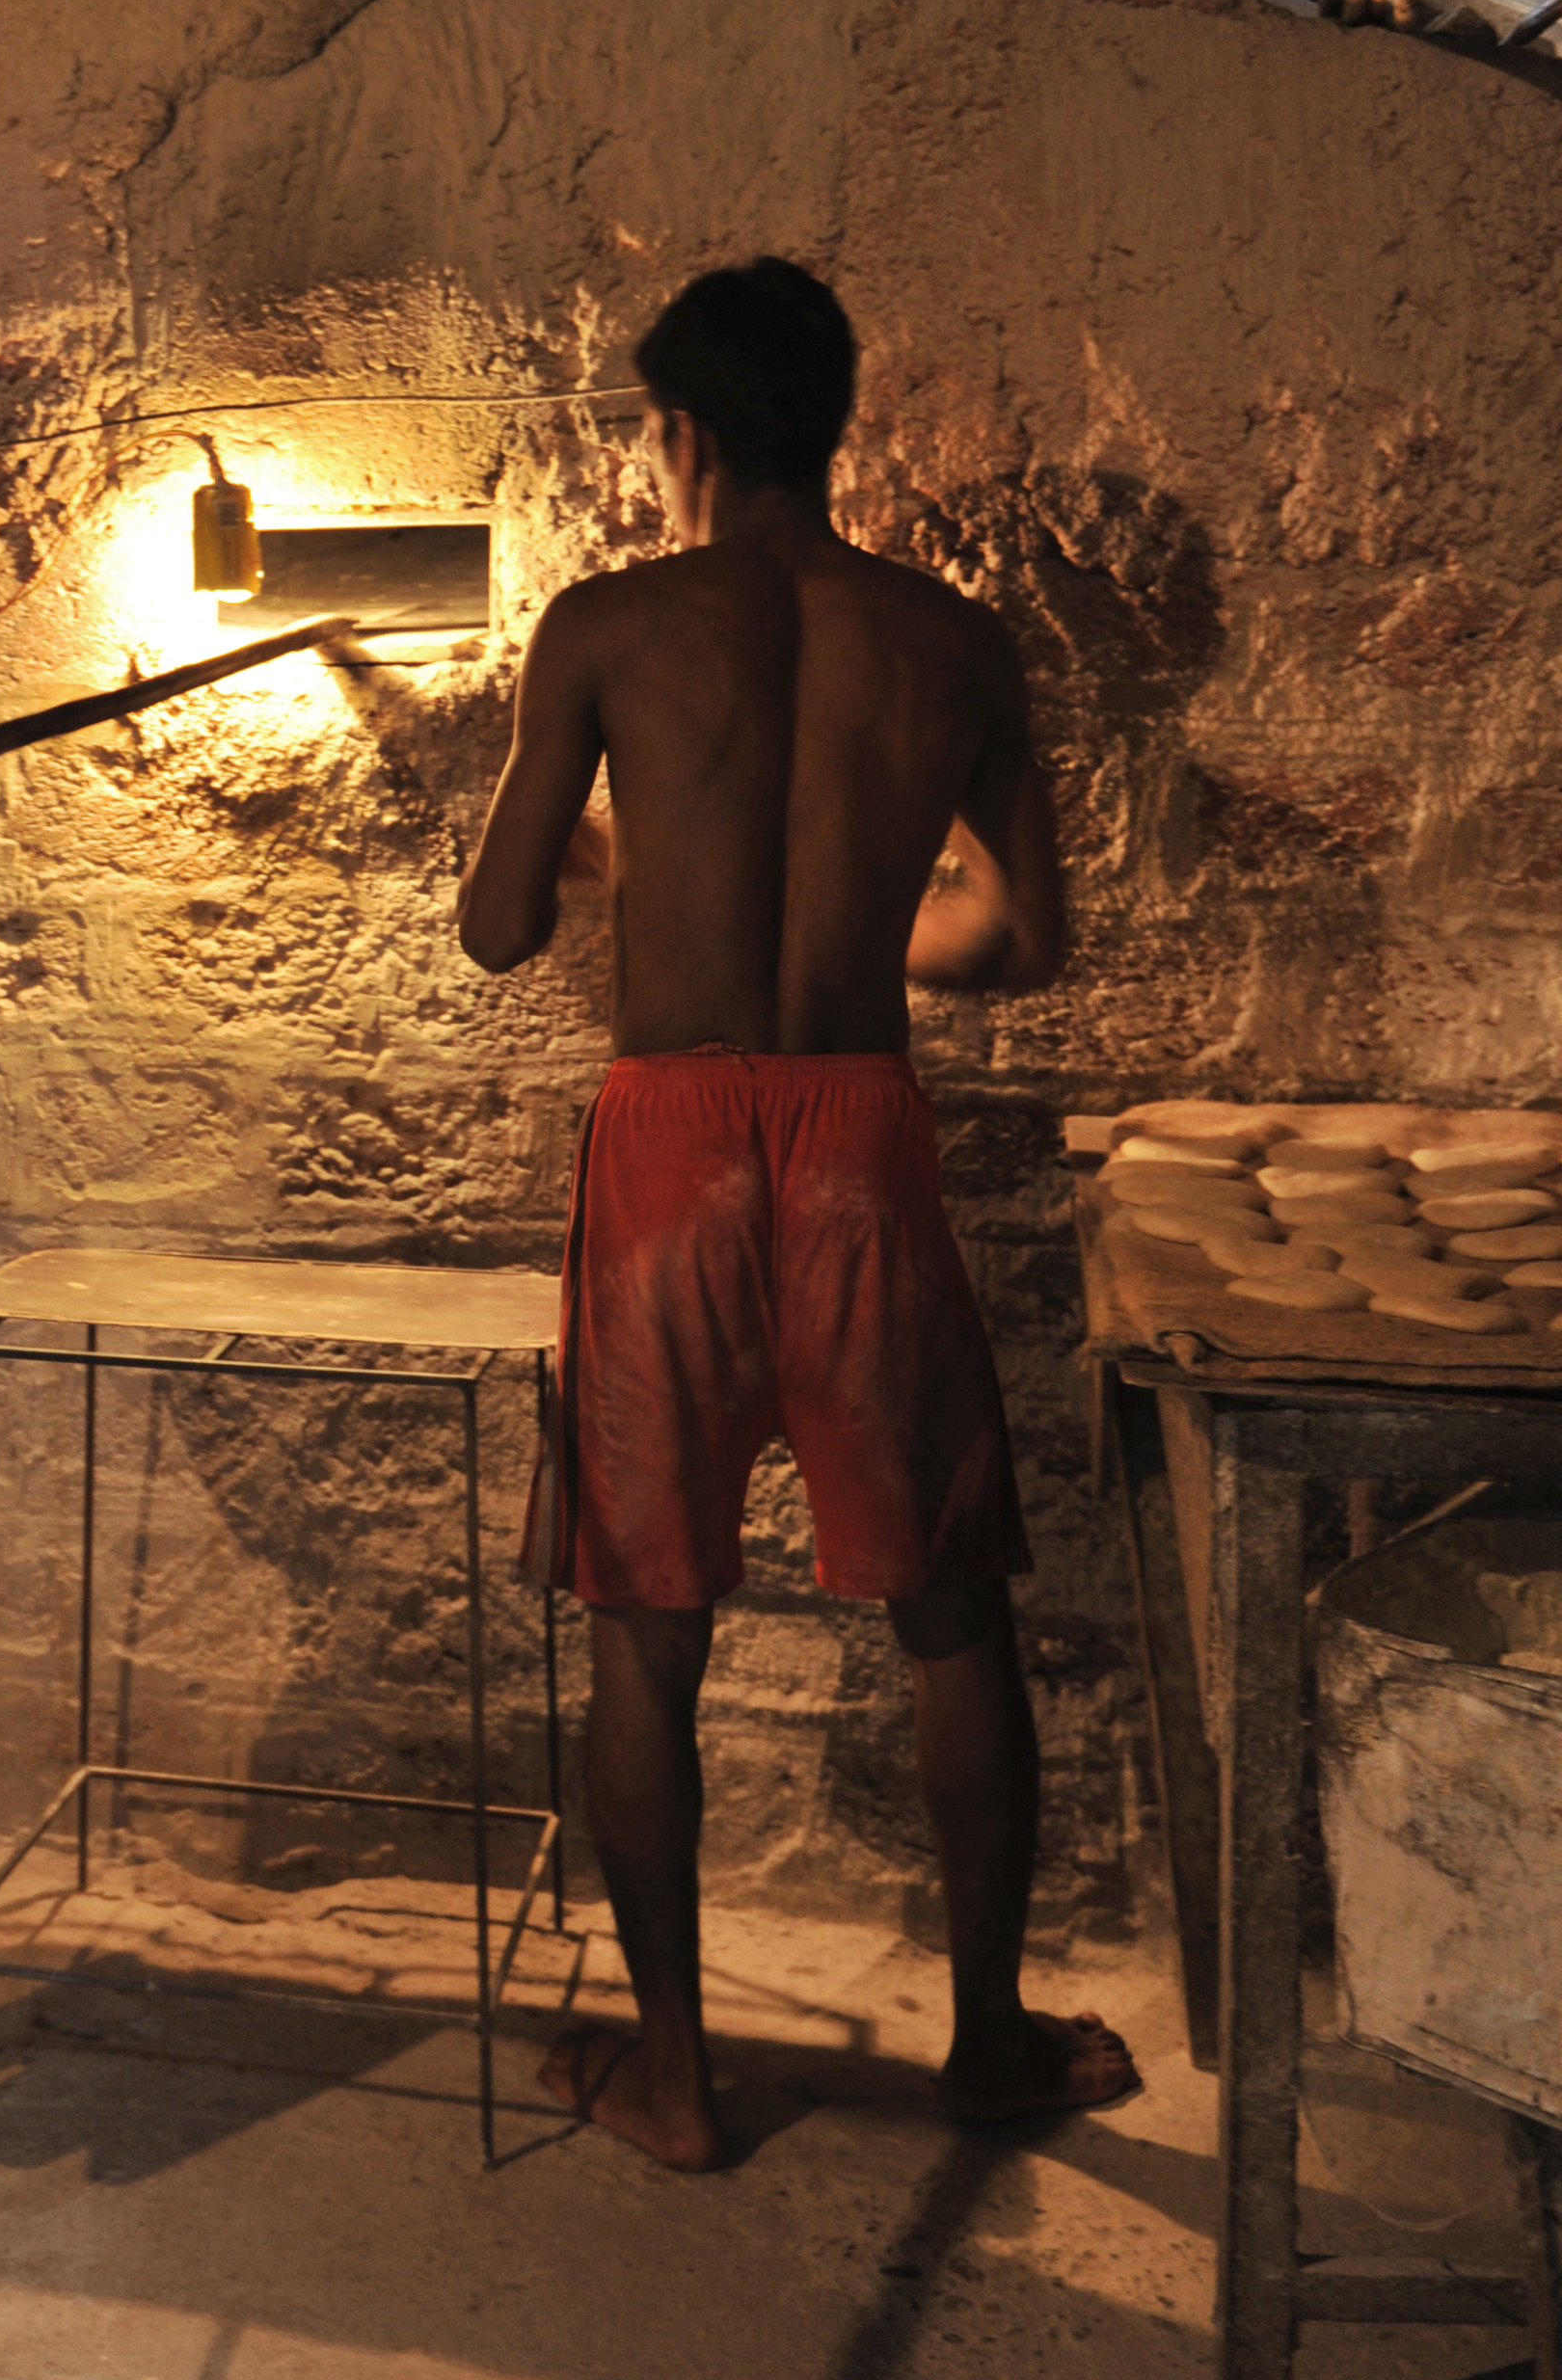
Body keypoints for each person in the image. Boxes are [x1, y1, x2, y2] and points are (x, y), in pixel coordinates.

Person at [457, 258, 1135, 2171]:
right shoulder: (952, 643)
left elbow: (499, 929)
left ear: (681, 434)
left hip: (669, 1150)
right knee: (948, 1607)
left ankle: (676, 2078)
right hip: (856, 1140)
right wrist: (856, 939)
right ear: (826, 428)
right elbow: (1028, 934)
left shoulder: (605, 625)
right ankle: (988, 2040)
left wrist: (606, 841)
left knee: (645, 1620)